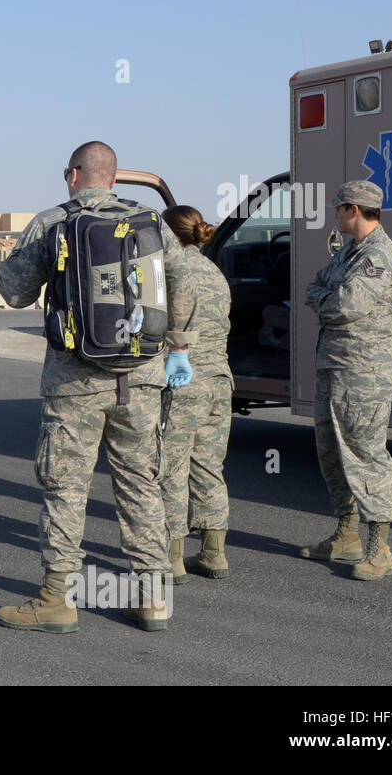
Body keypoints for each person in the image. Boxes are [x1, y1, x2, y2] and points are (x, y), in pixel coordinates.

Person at [0, 141, 196, 633]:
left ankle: (56, 600)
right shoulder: (151, 220)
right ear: (114, 178)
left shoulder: (51, 223)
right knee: (141, 486)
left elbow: (15, 292)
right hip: (142, 377)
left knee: (66, 487)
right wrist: (181, 348)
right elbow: (183, 283)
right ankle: (152, 599)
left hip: (74, 382)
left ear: (73, 175)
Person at [300, 180, 392, 580]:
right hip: (333, 364)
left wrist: (327, 298)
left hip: (365, 371)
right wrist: (328, 295)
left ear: (353, 210)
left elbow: (347, 305)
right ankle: (346, 534)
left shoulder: (380, 256)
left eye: (338, 208)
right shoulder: (349, 253)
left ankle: (380, 548)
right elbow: (314, 285)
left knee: (365, 453)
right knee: (331, 450)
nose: (335, 213)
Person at [159, 205, 233, 583]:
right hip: (220, 383)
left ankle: (172, 558)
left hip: (183, 383)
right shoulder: (215, 273)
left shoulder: (170, 273)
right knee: (209, 464)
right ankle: (214, 552)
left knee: (172, 466)